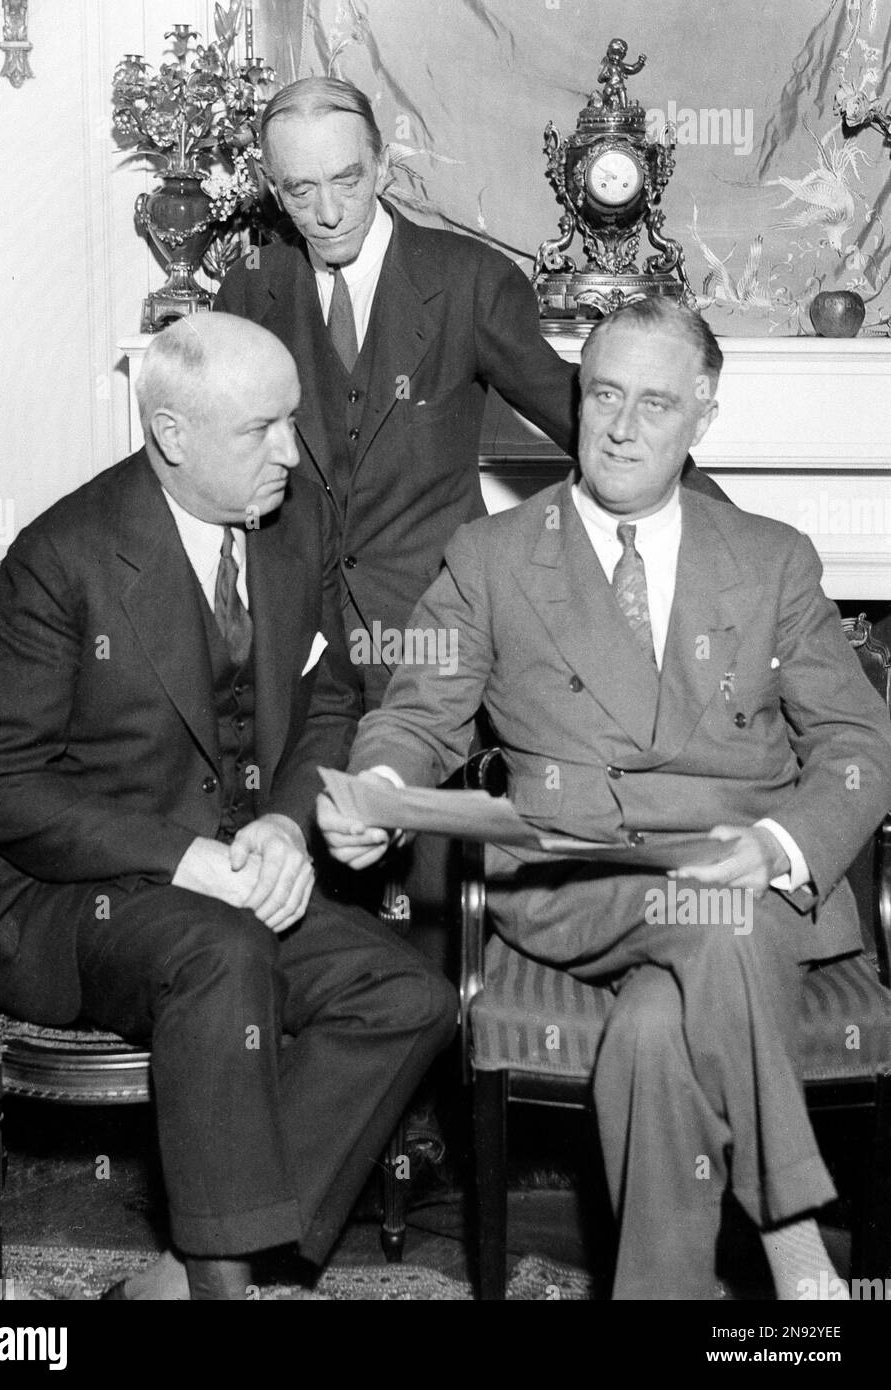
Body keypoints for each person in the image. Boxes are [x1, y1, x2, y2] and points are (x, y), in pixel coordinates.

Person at [318, 297, 891, 1300]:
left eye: (655, 404)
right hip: (577, 878)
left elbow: (856, 742)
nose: (622, 427)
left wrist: (780, 843)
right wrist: (380, 787)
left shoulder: (772, 557)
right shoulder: (492, 556)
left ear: (703, 414)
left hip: (745, 870)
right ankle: (796, 1242)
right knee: (720, 923)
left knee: (657, 1030)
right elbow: (418, 714)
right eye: (604, 395)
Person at [0, 315, 456, 1301]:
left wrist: (287, 823)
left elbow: (330, 702)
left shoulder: (296, 522)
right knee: (222, 955)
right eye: (260, 429)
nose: (290, 453)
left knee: (408, 997)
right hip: (81, 897)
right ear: (172, 435)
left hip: (238, 875)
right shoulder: (64, 554)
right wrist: (183, 857)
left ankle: (186, 1273)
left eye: (292, 421)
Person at [215, 76, 728, 710]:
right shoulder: (248, 290)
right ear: (272, 187)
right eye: (300, 189)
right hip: (298, 652)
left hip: (437, 638)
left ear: (381, 166)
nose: (327, 212)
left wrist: (737, 545)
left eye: (347, 180)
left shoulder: (470, 279)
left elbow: (592, 421)